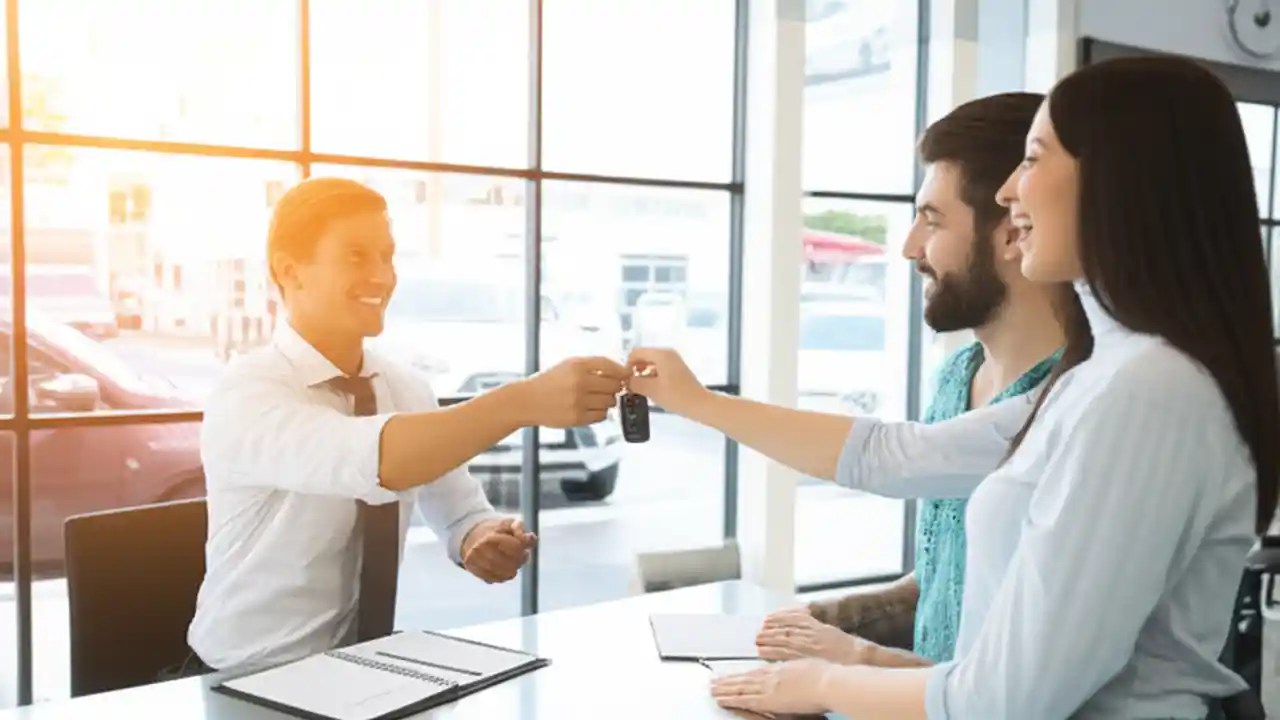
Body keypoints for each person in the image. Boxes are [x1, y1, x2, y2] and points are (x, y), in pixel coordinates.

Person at [700, 56, 1279, 718]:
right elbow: (1009, 668)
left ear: (1118, 180)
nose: (1010, 192)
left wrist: (826, 686)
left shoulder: (1150, 390)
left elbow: (1009, 699)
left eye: (1032, 160)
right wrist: (854, 661)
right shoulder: (1099, 379)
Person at [186, 178, 630, 674]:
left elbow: (459, 511)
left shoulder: (405, 386)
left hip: (368, 669)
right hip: (249, 676)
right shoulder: (247, 392)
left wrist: (480, 537)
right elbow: (377, 460)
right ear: (290, 271)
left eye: (387, 256)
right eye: (356, 256)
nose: (381, 276)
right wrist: (521, 401)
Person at [752, 92, 1067, 670]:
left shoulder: (1077, 398)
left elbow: (1015, 687)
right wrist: (830, 619)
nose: (909, 247)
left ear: (1012, 230)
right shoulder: (956, 375)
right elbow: (947, 572)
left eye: (932, 219)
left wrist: (852, 659)